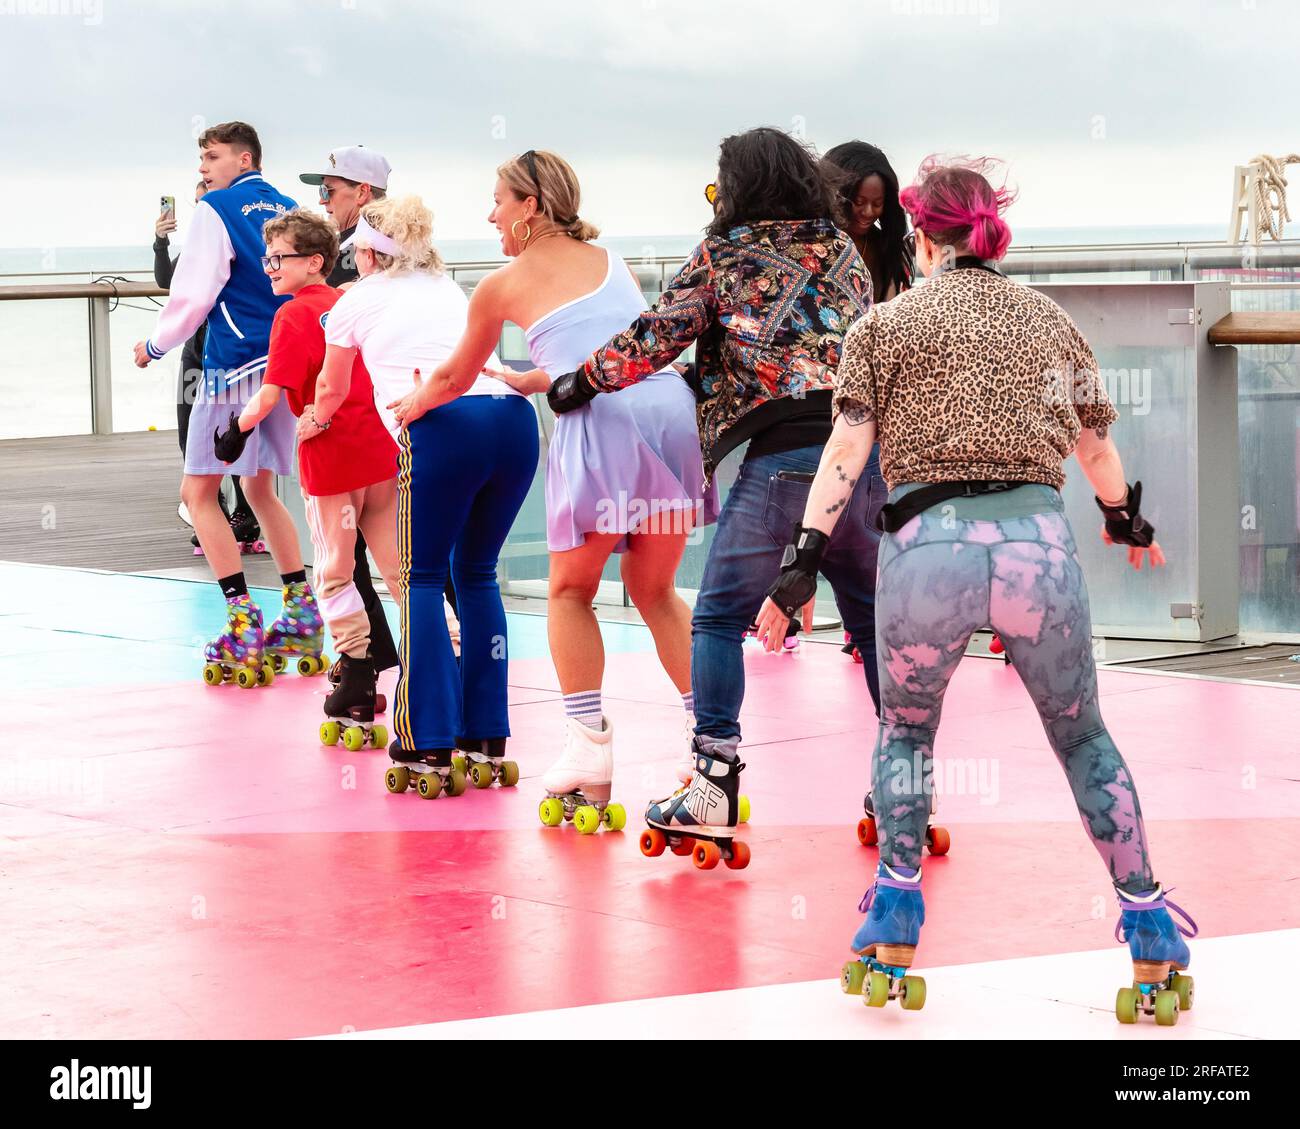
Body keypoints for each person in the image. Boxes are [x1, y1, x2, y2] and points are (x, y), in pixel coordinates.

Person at [754, 156, 1196, 1019]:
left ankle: (893, 926)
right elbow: (1098, 452)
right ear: (991, 230)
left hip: (928, 552)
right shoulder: (1050, 322)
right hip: (1038, 551)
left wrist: (803, 557)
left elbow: (845, 455)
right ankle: (1147, 929)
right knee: (1085, 742)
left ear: (921, 234)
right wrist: (1125, 521)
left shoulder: (885, 328)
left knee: (907, 733)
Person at [546, 127, 882, 859]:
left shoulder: (725, 254)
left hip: (785, 461)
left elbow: (653, 336)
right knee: (876, 622)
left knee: (719, 616)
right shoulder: (844, 252)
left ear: (740, 187)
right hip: (861, 461)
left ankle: (713, 782)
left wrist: (579, 382)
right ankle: (906, 782)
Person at [389, 151, 709, 817]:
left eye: (500, 200)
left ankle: (588, 741)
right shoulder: (613, 260)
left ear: (531, 206)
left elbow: (451, 378)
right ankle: (708, 740)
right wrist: (540, 377)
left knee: (569, 590)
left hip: (603, 423)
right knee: (655, 591)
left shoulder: (500, 286)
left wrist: (411, 407)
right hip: (668, 414)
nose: (491, 214)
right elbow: (609, 348)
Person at [321, 195, 537, 796]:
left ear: (366, 254)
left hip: (444, 426)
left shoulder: (353, 302)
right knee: (476, 575)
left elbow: (333, 388)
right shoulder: (444, 284)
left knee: (419, 579)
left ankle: (426, 743)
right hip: (514, 423)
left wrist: (313, 417)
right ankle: (485, 738)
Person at [134, 121, 317, 688]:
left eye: (211, 156)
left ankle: (241, 623)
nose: (203, 168)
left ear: (243, 157)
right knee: (261, 489)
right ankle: (301, 612)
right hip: (283, 368)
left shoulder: (215, 210)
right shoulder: (289, 208)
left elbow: (195, 290)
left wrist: (156, 344)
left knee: (199, 493)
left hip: (233, 368)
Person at [220, 209, 400, 727]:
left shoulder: (293, 316)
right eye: (267, 257)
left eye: (279, 258)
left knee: (334, 570)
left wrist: (236, 434)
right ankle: (442, 659)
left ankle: (357, 675)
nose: (269, 267)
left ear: (315, 261)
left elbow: (270, 395)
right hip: (377, 447)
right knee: (398, 569)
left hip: (328, 452)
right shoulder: (348, 302)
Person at [297, 146, 405, 680]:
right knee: (386, 551)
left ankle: (364, 663)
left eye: (330, 190)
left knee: (346, 557)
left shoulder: (368, 255)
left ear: (363, 194)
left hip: (372, 419)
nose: (322, 199)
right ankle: (394, 655)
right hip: (381, 421)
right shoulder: (372, 249)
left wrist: (312, 413)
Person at [154, 179, 255, 542]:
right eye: (198, 204)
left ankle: (245, 514)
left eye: (208, 202)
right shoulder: (198, 248)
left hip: (225, 354)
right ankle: (214, 512)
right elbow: (167, 280)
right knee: (191, 434)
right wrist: (160, 241)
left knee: (229, 433)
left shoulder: (234, 241)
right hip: (195, 351)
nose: (203, 211)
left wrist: (154, 344)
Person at [823, 142, 914, 302]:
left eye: (877, 203)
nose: (868, 212)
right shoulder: (814, 243)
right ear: (835, 195)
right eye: (858, 202)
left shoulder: (886, 248)